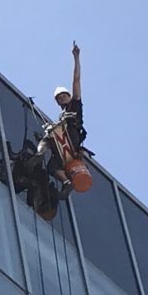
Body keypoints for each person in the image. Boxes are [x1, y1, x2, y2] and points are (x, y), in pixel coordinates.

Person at [38, 42, 85, 198]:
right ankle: (66, 182)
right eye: (59, 98)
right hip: (64, 143)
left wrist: (76, 57)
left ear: (69, 96)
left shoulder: (75, 105)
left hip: (73, 137)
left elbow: (76, 80)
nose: (62, 98)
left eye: (64, 95)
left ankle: (42, 150)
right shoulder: (60, 118)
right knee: (52, 165)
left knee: (59, 128)